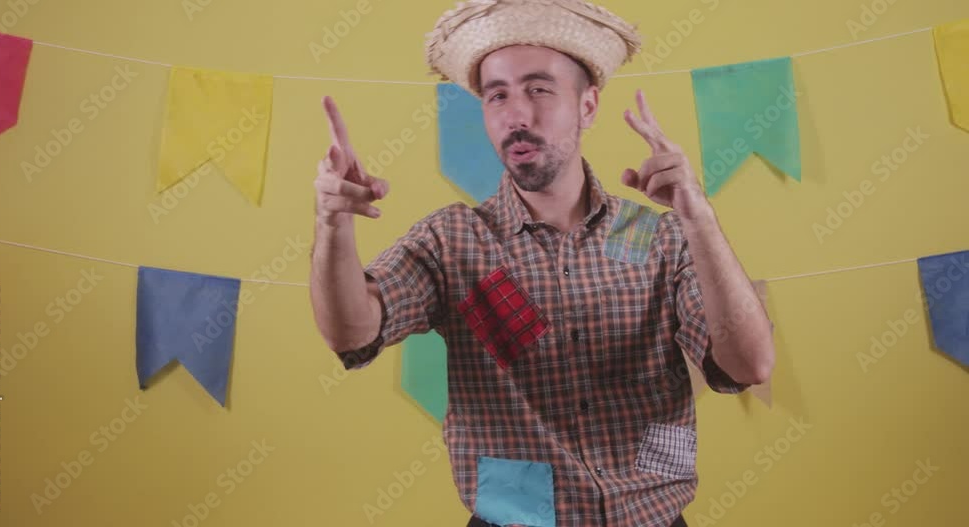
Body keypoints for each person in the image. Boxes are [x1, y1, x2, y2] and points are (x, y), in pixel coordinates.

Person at [310, 0, 776, 525]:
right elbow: (352, 331)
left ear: (587, 106)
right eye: (498, 95)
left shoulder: (659, 238)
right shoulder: (452, 242)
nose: (517, 116)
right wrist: (332, 225)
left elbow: (751, 365)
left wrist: (700, 219)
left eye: (538, 89)